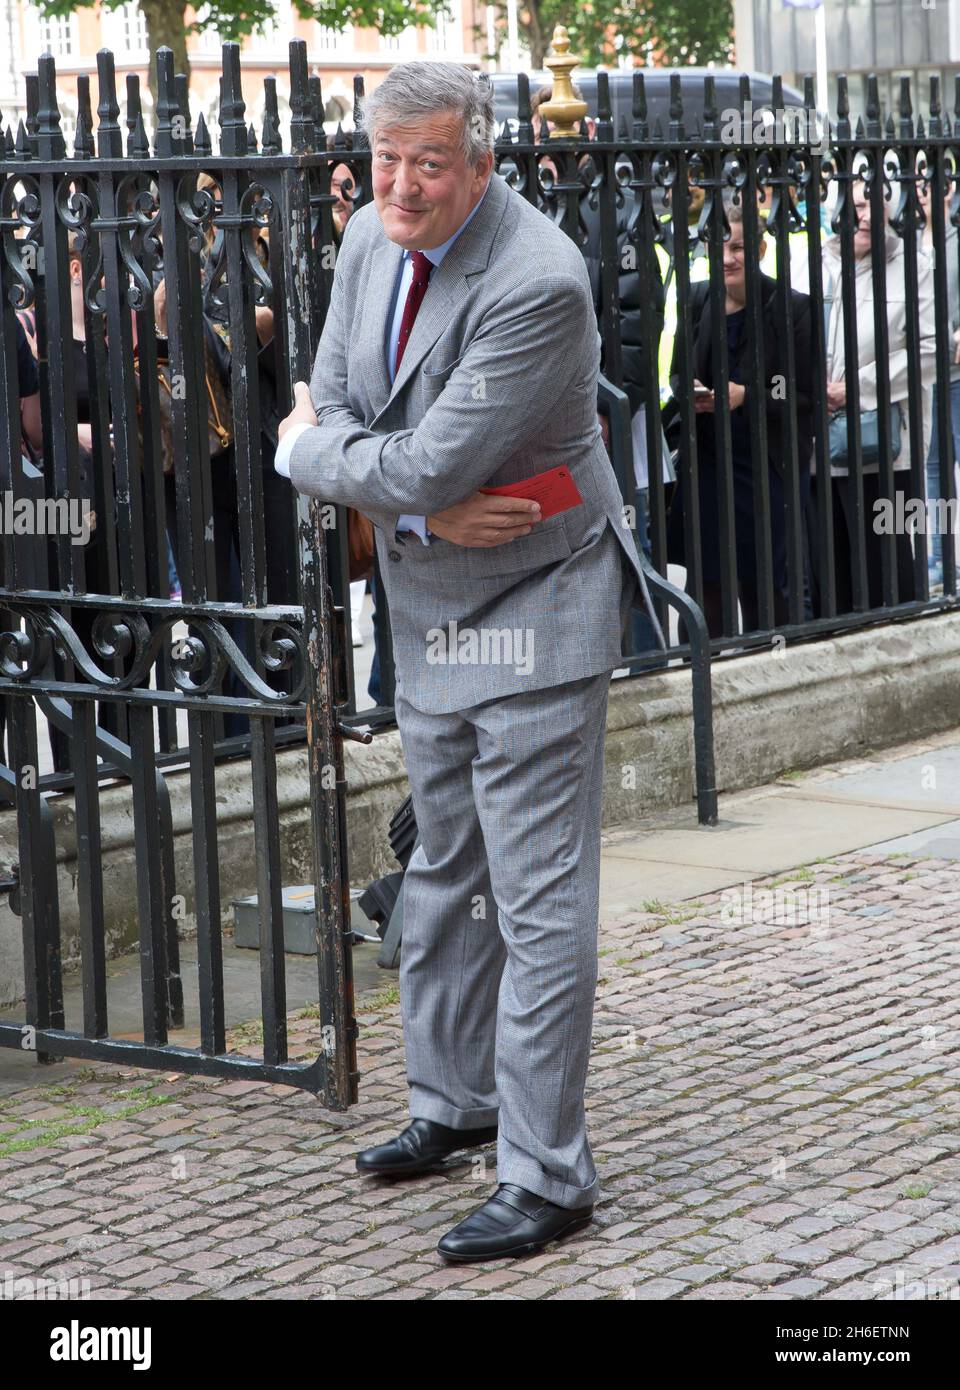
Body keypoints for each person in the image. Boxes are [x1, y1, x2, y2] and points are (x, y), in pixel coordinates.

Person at [275, 60, 644, 1262]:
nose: (403, 185)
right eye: (386, 159)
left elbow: (412, 456)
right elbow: (338, 408)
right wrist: (402, 497)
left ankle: (549, 1175)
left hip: (540, 606)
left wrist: (328, 458)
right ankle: (453, 1102)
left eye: (430, 162)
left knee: (536, 903)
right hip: (429, 603)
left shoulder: (538, 279)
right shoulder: (365, 241)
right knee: (441, 873)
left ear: (482, 160)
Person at [666, 199, 814, 635]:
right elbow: (677, 371)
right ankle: (705, 679)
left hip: (764, 468)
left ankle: (765, 668)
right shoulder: (697, 298)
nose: (728, 258)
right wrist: (689, 391)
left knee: (762, 586)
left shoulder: (793, 308)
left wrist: (747, 395)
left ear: (762, 249)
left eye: (740, 249)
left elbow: (804, 394)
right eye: (721, 247)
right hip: (709, 462)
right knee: (704, 586)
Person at [811, 178, 937, 613]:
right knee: (835, 572)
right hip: (822, 442)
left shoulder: (912, 265)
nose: (863, 215)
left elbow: (930, 349)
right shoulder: (818, 261)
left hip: (886, 443)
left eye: (872, 204)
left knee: (891, 568)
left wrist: (859, 387)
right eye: (854, 205)